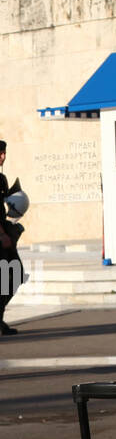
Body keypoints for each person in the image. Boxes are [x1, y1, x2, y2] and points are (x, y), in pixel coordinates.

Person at [0, 140, 20, 337]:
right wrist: (2, 235)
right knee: (11, 273)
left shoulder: (2, 179)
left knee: (14, 275)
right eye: (0, 153)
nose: (3, 157)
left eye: (4, 152)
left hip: (5, 234)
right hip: (1, 237)